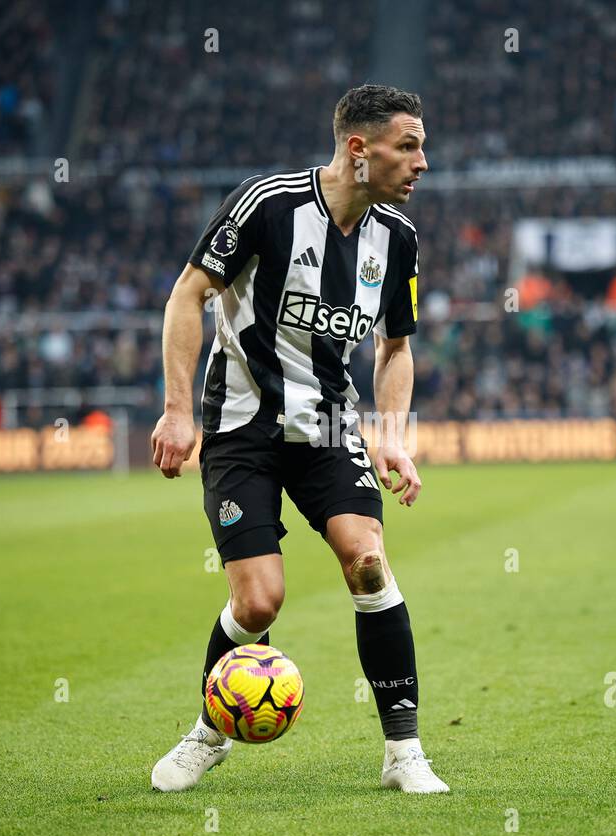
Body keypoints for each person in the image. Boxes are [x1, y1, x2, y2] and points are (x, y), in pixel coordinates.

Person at [149, 85, 447, 793]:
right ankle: (208, 733)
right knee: (259, 604)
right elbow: (187, 294)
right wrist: (175, 409)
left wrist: (395, 436)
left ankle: (403, 752)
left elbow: (395, 348)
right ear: (358, 149)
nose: (423, 162)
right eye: (408, 145)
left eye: (422, 146)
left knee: (367, 560)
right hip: (239, 427)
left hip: (327, 427)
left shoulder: (396, 240)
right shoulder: (268, 204)